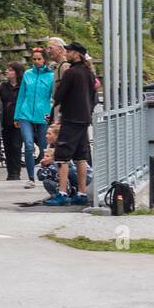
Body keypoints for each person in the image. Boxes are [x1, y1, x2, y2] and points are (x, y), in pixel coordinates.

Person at [48, 42, 95, 206]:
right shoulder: (89, 72)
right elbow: (93, 95)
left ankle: (62, 192)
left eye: (69, 51)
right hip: (84, 118)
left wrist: (54, 113)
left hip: (71, 117)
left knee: (62, 155)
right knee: (81, 157)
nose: (66, 53)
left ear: (76, 54)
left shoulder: (71, 73)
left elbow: (59, 95)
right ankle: (81, 193)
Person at [13, 46, 54, 189]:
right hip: (25, 113)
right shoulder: (27, 74)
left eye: (39, 59)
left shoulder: (51, 76)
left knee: (44, 146)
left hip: (43, 114)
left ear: (44, 60)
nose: (36, 61)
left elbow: (53, 96)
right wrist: (17, 116)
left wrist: (53, 116)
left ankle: (45, 173)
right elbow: (21, 95)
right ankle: (31, 178)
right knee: (29, 145)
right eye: (34, 59)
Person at [32, 123, 93, 203]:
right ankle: (64, 193)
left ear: (57, 136)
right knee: (48, 174)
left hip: (85, 177)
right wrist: (44, 165)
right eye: (46, 133)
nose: (46, 136)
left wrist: (52, 162)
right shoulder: (49, 146)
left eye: (49, 134)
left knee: (54, 170)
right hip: (73, 173)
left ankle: (64, 194)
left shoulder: (65, 145)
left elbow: (69, 165)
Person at [0, 60, 25, 181]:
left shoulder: (22, 86)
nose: (7, 72)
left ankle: (16, 172)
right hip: (6, 119)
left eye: (11, 70)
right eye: (7, 70)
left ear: (17, 72)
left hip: (18, 119)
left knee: (16, 145)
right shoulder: (3, 86)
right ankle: (10, 172)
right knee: (8, 146)